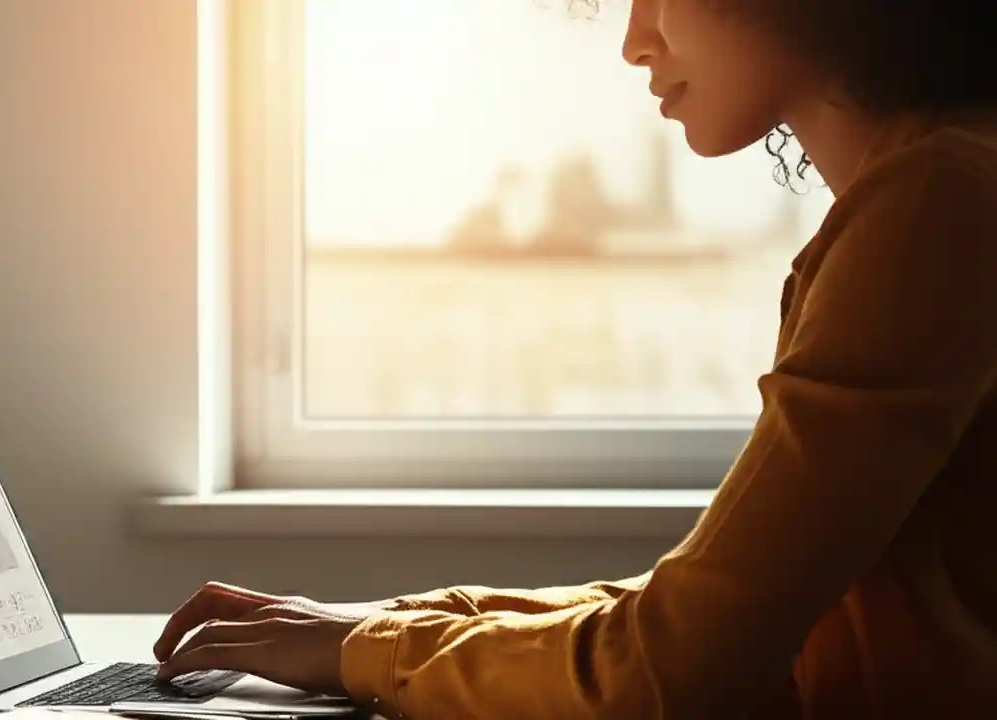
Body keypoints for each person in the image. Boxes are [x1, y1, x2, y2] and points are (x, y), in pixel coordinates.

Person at [153, 0, 997, 717]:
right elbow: (725, 619)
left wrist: (373, 650)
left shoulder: (935, 203)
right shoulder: (944, 181)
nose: (634, 41)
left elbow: (677, 668)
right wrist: (396, 623)